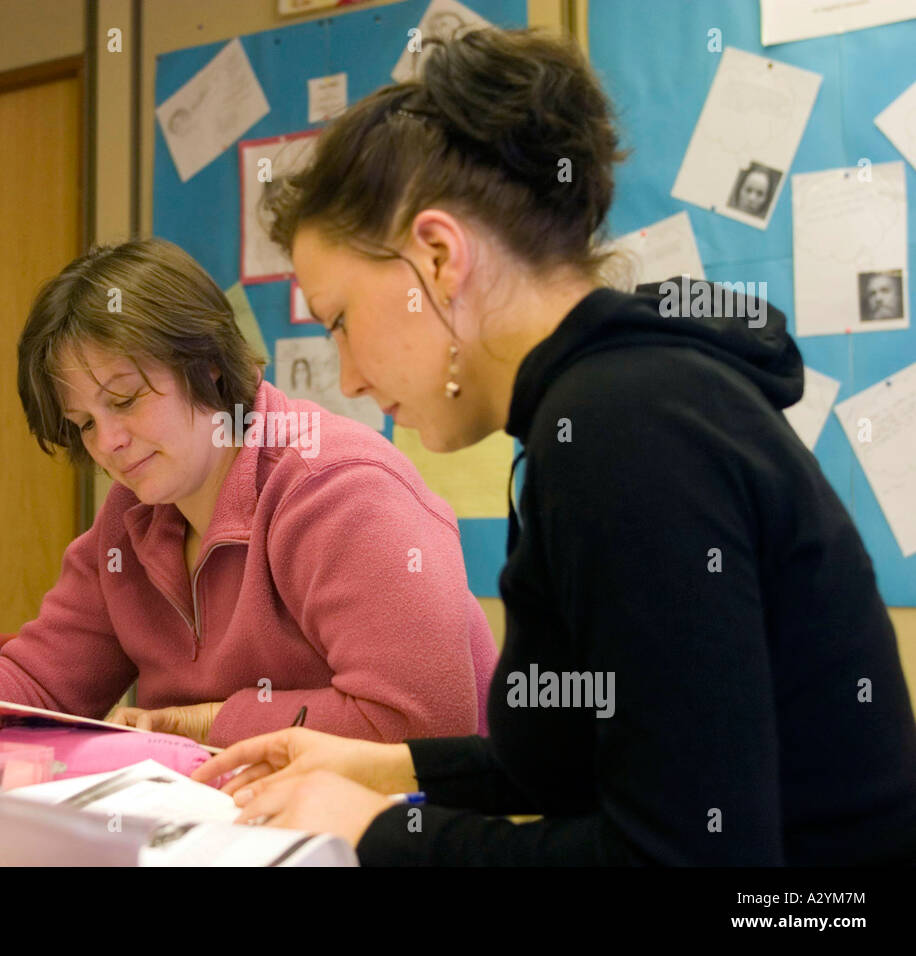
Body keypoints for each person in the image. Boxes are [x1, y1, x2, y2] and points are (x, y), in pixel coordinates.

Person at [191, 28, 916, 865]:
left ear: (437, 256)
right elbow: (608, 745)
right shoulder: (612, 404)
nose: (346, 376)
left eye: (340, 321)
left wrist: (378, 830)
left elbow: (680, 856)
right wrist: (393, 769)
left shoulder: (627, 433)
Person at [0, 238, 498, 747]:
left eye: (125, 400)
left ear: (206, 367)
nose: (108, 445)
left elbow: (425, 723)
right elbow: (40, 683)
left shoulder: (335, 488)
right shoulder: (134, 517)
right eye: (82, 424)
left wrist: (204, 723)